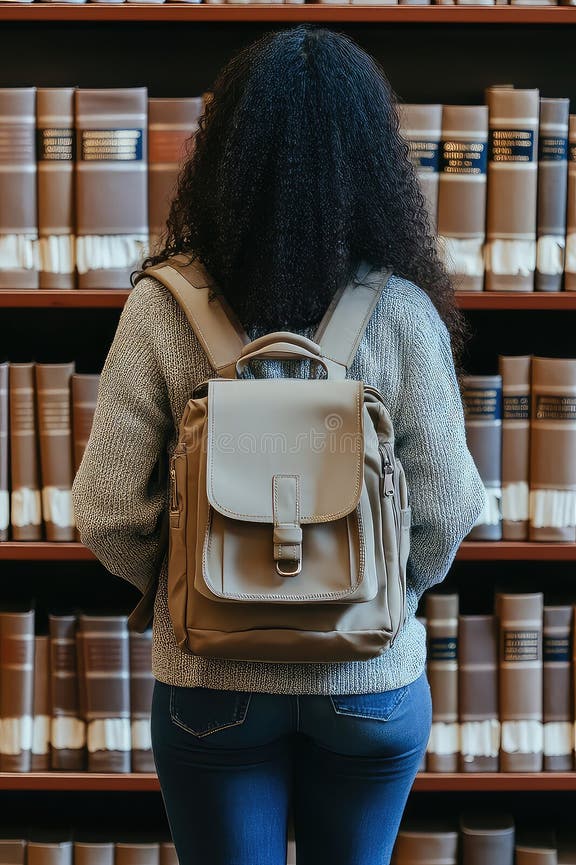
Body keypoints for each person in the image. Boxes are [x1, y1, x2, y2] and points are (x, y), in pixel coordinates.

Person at [72, 24, 485, 865]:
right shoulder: (402, 313)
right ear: (374, 160)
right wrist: (381, 595)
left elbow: (106, 514)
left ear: (224, 154)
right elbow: (448, 511)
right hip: (369, 684)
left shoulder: (160, 308)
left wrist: (195, 584)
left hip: (209, 684)